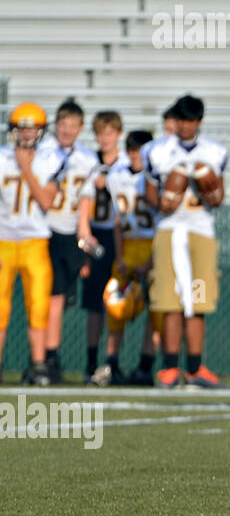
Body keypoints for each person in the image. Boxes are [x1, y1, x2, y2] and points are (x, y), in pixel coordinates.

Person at [143, 94, 227, 389]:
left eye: (191, 120)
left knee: (198, 300)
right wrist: (165, 201)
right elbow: (150, 194)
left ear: (199, 121)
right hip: (169, 230)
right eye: (181, 120)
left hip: (201, 232)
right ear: (174, 121)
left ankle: (194, 366)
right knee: (170, 300)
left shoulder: (214, 151)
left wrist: (210, 190)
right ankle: (169, 368)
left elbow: (218, 198)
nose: (186, 125)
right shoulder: (156, 151)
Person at [35, 98, 99, 383]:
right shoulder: (43, 152)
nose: (67, 130)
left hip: (68, 232)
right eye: (63, 124)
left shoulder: (87, 158)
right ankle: (42, 358)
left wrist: (84, 234)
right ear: (56, 125)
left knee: (57, 299)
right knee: (44, 299)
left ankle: (50, 358)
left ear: (80, 127)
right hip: (41, 229)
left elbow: (85, 199)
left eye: (73, 125)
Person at [0, 104, 57, 385]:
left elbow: (46, 201)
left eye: (31, 127)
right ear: (13, 131)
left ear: (40, 130)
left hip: (35, 240)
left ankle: (38, 366)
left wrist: (25, 168)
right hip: (4, 242)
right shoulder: (0, 158)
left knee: (38, 306)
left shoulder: (50, 159)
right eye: (21, 128)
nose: (26, 133)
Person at [76, 110, 130, 385]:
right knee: (95, 305)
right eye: (101, 133)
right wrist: (84, 239)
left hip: (120, 236)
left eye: (110, 133)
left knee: (116, 302)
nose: (105, 138)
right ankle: (91, 361)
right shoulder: (90, 163)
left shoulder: (126, 164)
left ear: (118, 134)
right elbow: (83, 206)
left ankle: (111, 362)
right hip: (97, 236)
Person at [107, 130, 163, 386]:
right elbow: (118, 222)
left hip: (154, 245)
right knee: (116, 306)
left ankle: (145, 366)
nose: (136, 156)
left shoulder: (156, 177)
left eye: (140, 150)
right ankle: (112, 364)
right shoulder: (117, 176)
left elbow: (164, 223)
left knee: (157, 311)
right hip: (128, 245)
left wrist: (151, 261)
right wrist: (119, 256)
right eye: (132, 150)